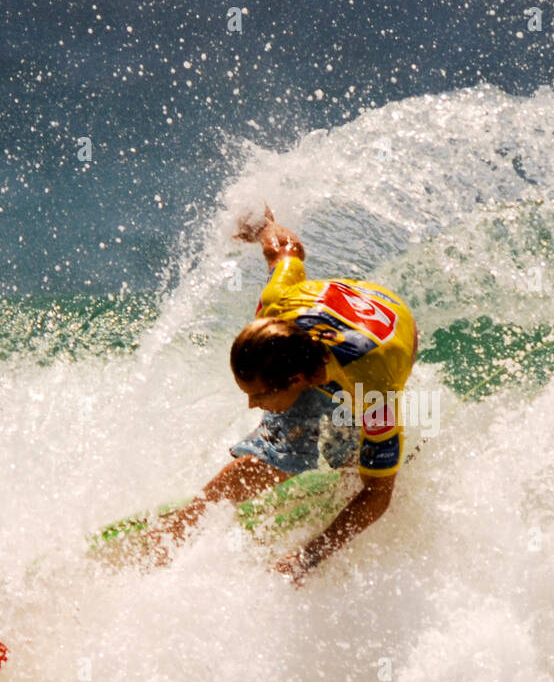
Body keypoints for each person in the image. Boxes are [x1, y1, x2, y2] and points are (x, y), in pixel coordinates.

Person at [149, 207, 418, 584]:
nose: (251, 404)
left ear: (296, 379)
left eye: (258, 396)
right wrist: (261, 224)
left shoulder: (373, 390)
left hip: (389, 326)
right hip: (334, 317)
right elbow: (287, 248)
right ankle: (175, 534)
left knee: (361, 467)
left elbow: (379, 496)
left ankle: (357, 459)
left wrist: (308, 557)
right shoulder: (276, 304)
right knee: (274, 451)